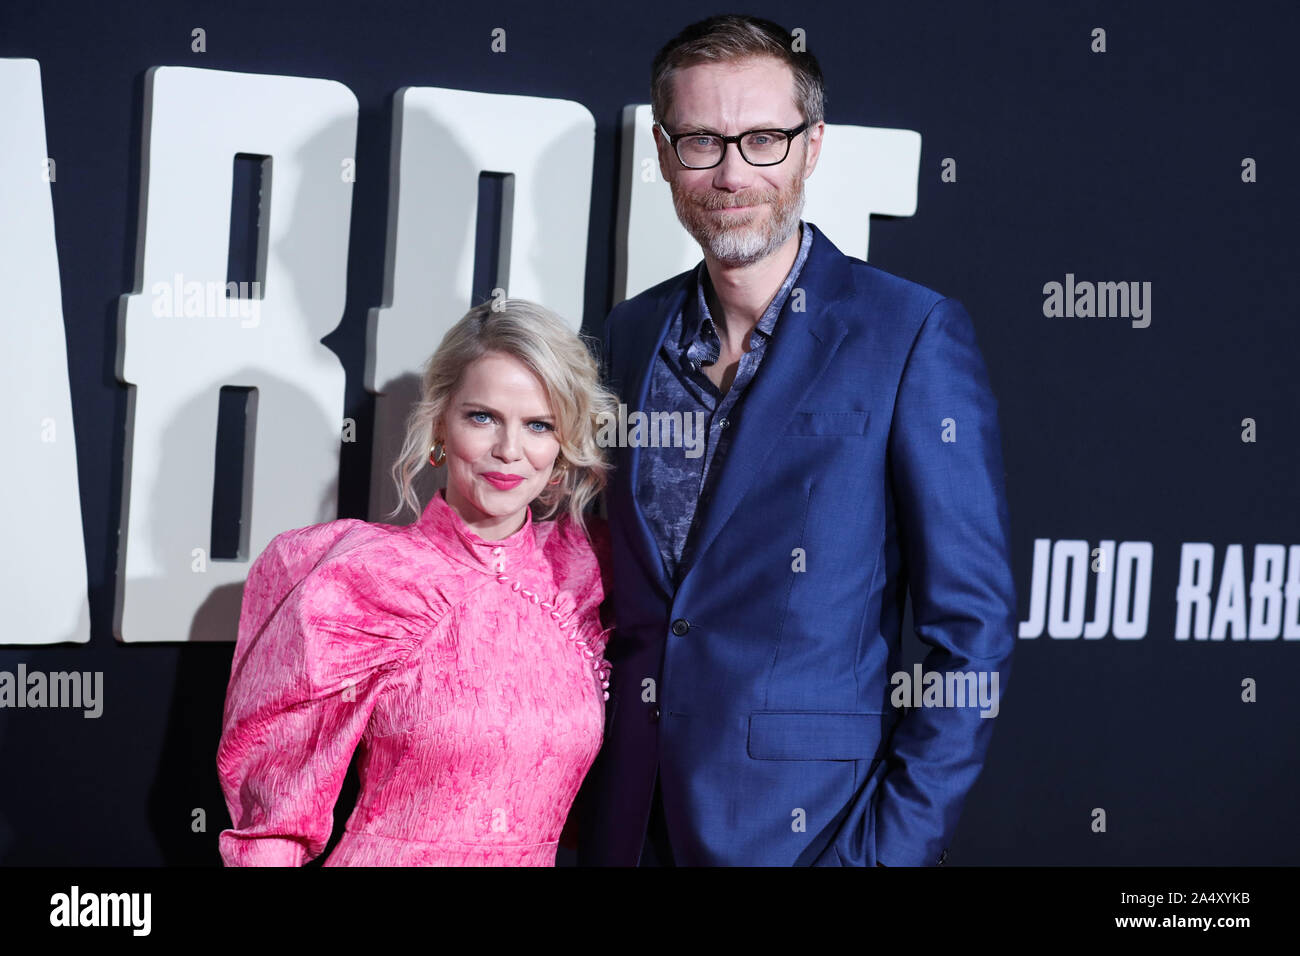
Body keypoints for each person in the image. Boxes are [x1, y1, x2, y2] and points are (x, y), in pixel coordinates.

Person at [575, 14, 1017, 866]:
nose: (733, 172)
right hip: (624, 824)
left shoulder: (909, 332)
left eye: (763, 139)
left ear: (812, 147)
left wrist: (889, 851)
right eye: (702, 141)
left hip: (813, 833)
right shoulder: (626, 337)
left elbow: (974, 633)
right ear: (665, 155)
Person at [216, 298, 618, 866]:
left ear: (561, 446)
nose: (509, 451)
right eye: (482, 417)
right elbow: (272, 829)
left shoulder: (585, 573)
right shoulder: (366, 578)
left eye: (538, 425)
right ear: (439, 424)